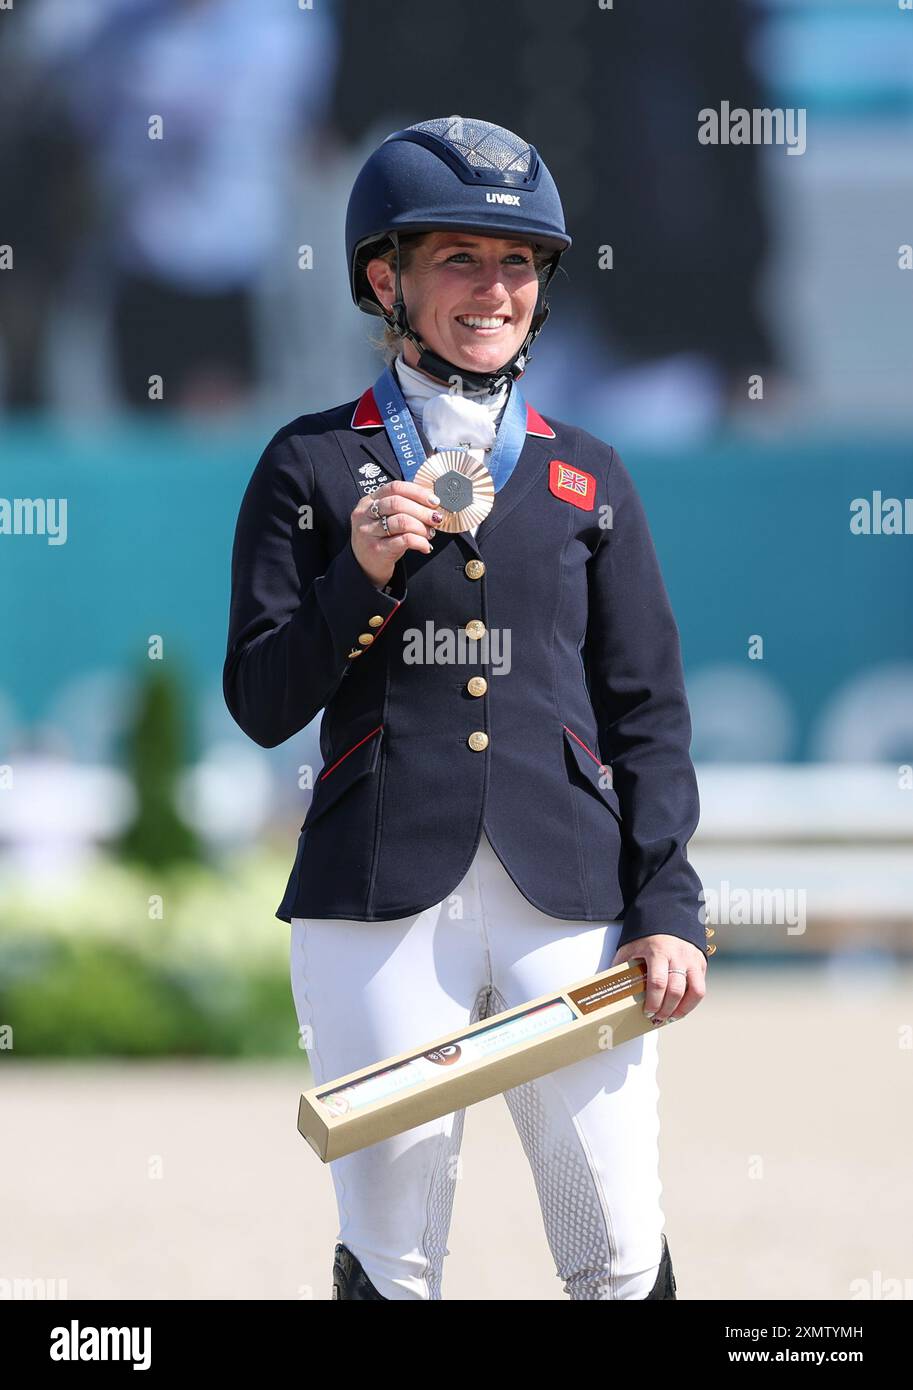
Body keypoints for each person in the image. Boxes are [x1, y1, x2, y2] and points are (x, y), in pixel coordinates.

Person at [222, 115, 712, 1301]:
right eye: (459, 259)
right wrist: (357, 578)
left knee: (616, 1241)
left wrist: (669, 906)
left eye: (518, 266)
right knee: (392, 1252)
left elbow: (645, 706)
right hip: (378, 895)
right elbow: (260, 699)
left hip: (572, 900)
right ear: (384, 279)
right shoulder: (310, 463)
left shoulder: (588, 470)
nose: (494, 291)